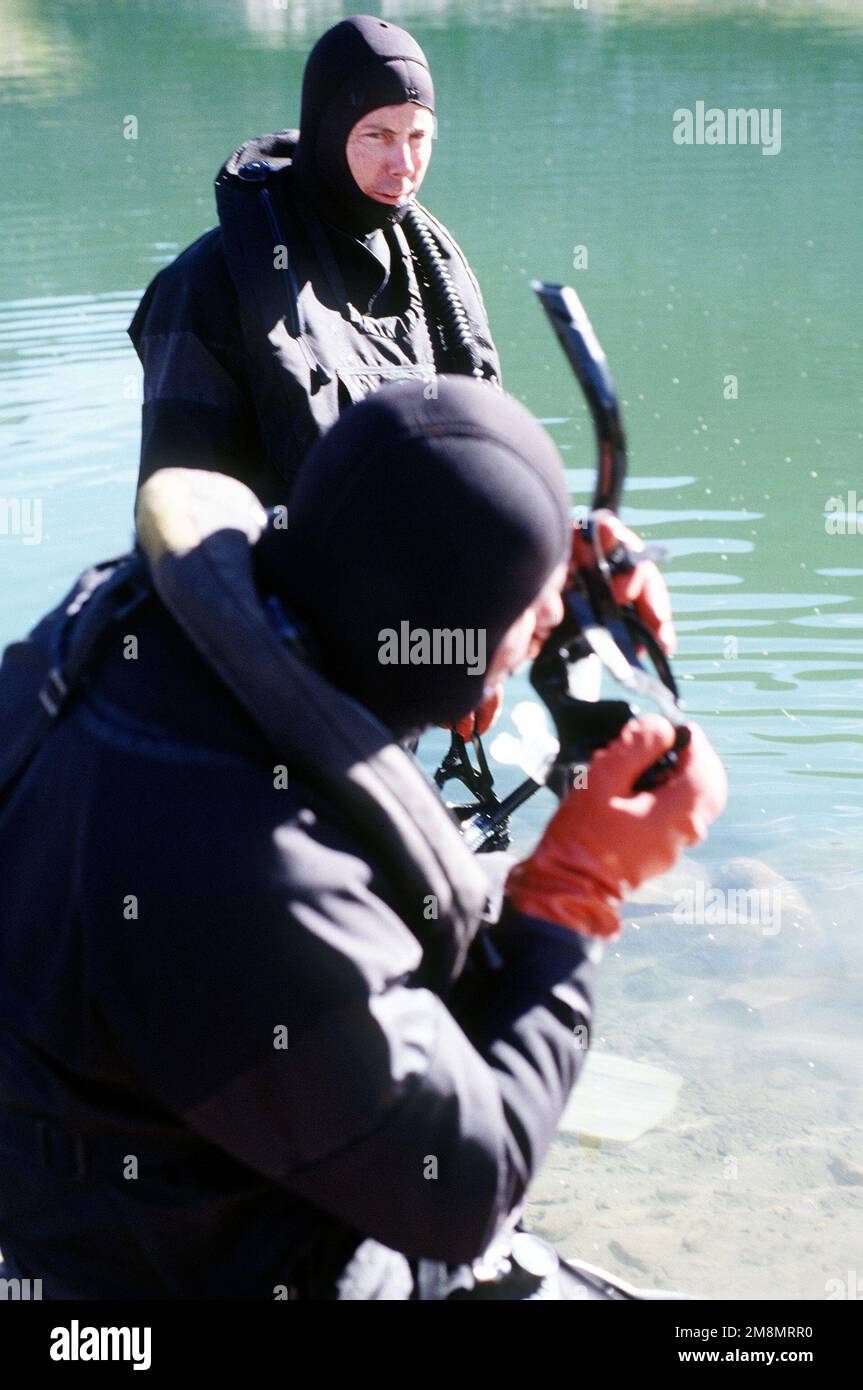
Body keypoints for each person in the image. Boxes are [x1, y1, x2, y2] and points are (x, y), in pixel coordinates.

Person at [0, 378, 726, 1299]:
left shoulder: (146, 614)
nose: (547, 621)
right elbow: (466, 1190)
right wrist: (576, 892)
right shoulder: (250, 875)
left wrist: (552, 605)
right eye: (531, 617)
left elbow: (359, 650)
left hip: (130, 1171)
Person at [128, 15, 501, 508]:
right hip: (284, 574)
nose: (404, 166)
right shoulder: (205, 285)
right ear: (326, 131)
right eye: (378, 136)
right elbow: (179, 512)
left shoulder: (438, 272)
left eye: (418, 138)